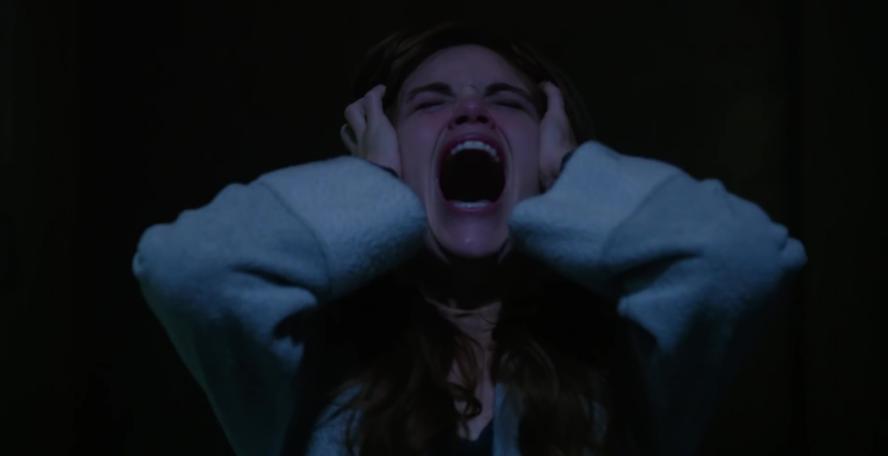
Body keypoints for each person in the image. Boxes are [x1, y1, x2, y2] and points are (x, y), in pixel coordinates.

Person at [132, 21, 807, 456]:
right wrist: (372, 187)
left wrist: (571, 173)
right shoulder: (305, 371)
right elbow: (188, 267)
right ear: (385, 148)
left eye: (509, 102)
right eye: (430, 102)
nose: (472, 110)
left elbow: (742, 256)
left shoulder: (631, 366)